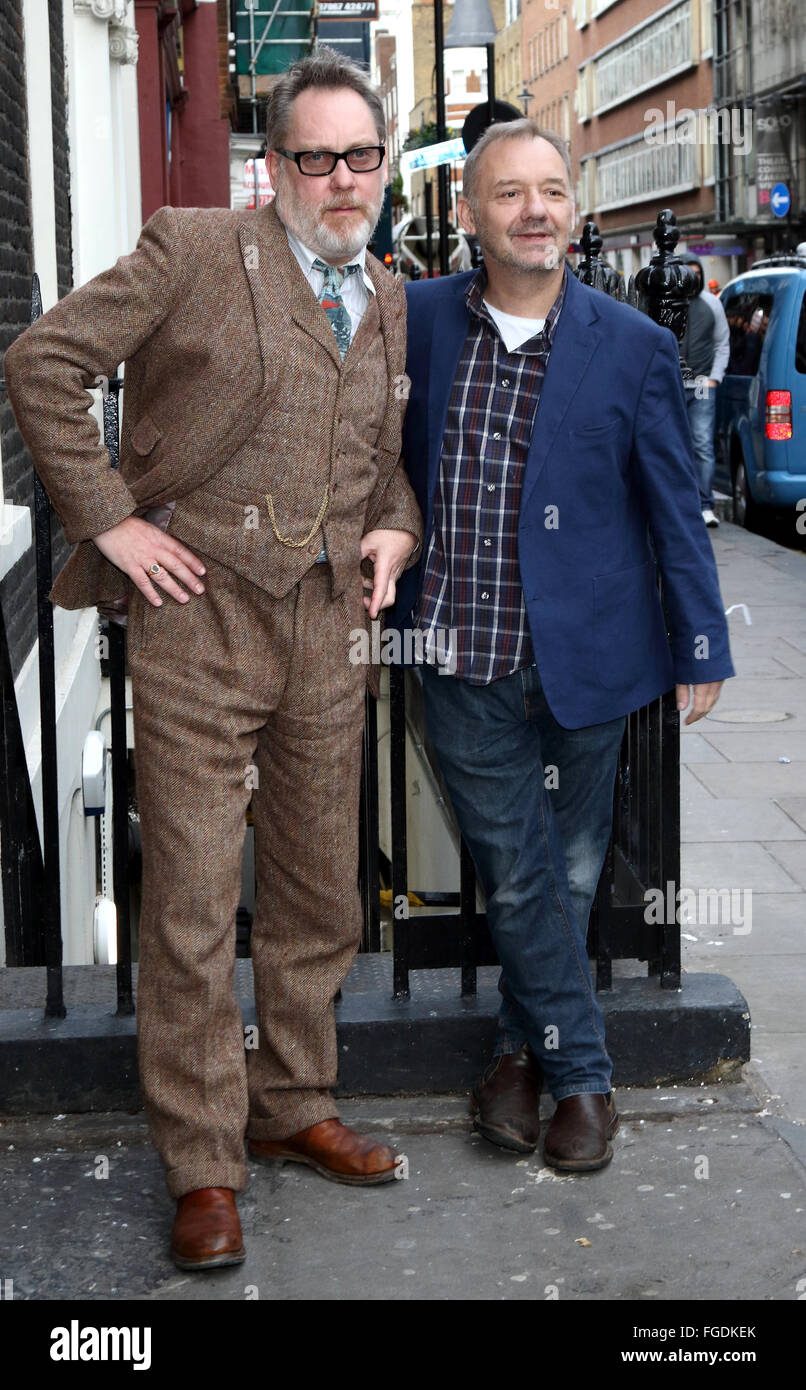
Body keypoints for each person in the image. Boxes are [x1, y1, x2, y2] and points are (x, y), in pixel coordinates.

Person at [3, 48, 423, 1269]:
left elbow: (375, 459)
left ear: (380, 165)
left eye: (360, 157)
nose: (340, 180)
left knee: (314, 891)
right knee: (189, 901)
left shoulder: (387, 293)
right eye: (315, 156)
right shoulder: (194, 248)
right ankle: (201, 1163)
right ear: (274, 163)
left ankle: (292, 1105)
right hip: (196, 620)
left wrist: (394, 524)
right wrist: (108, 515)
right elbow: (43, 362)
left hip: (327, 629)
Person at [386, 119, 734, 1174]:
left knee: (565, 872)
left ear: (571, 211)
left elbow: (675, 504)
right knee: (525, 867)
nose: (533, 210)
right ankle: (582, 1075)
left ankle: (510, 1061)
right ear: (466, 215)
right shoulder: (414, 322)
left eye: (550, 191)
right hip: (457, 650)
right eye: (507, 193)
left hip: (590, 658)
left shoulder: (630, 344)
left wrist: (701, 640)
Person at [678, 253, 730, 527]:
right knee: (673, 445)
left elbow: (722, 342)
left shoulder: (711, 304)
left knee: (702, 445)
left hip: (701, 385)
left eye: (697, 272)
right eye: (689, 272)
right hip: (672, 384)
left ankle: (705, 504)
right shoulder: (667, 301)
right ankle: (679, 504)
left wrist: (714, 378)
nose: (693, 277)